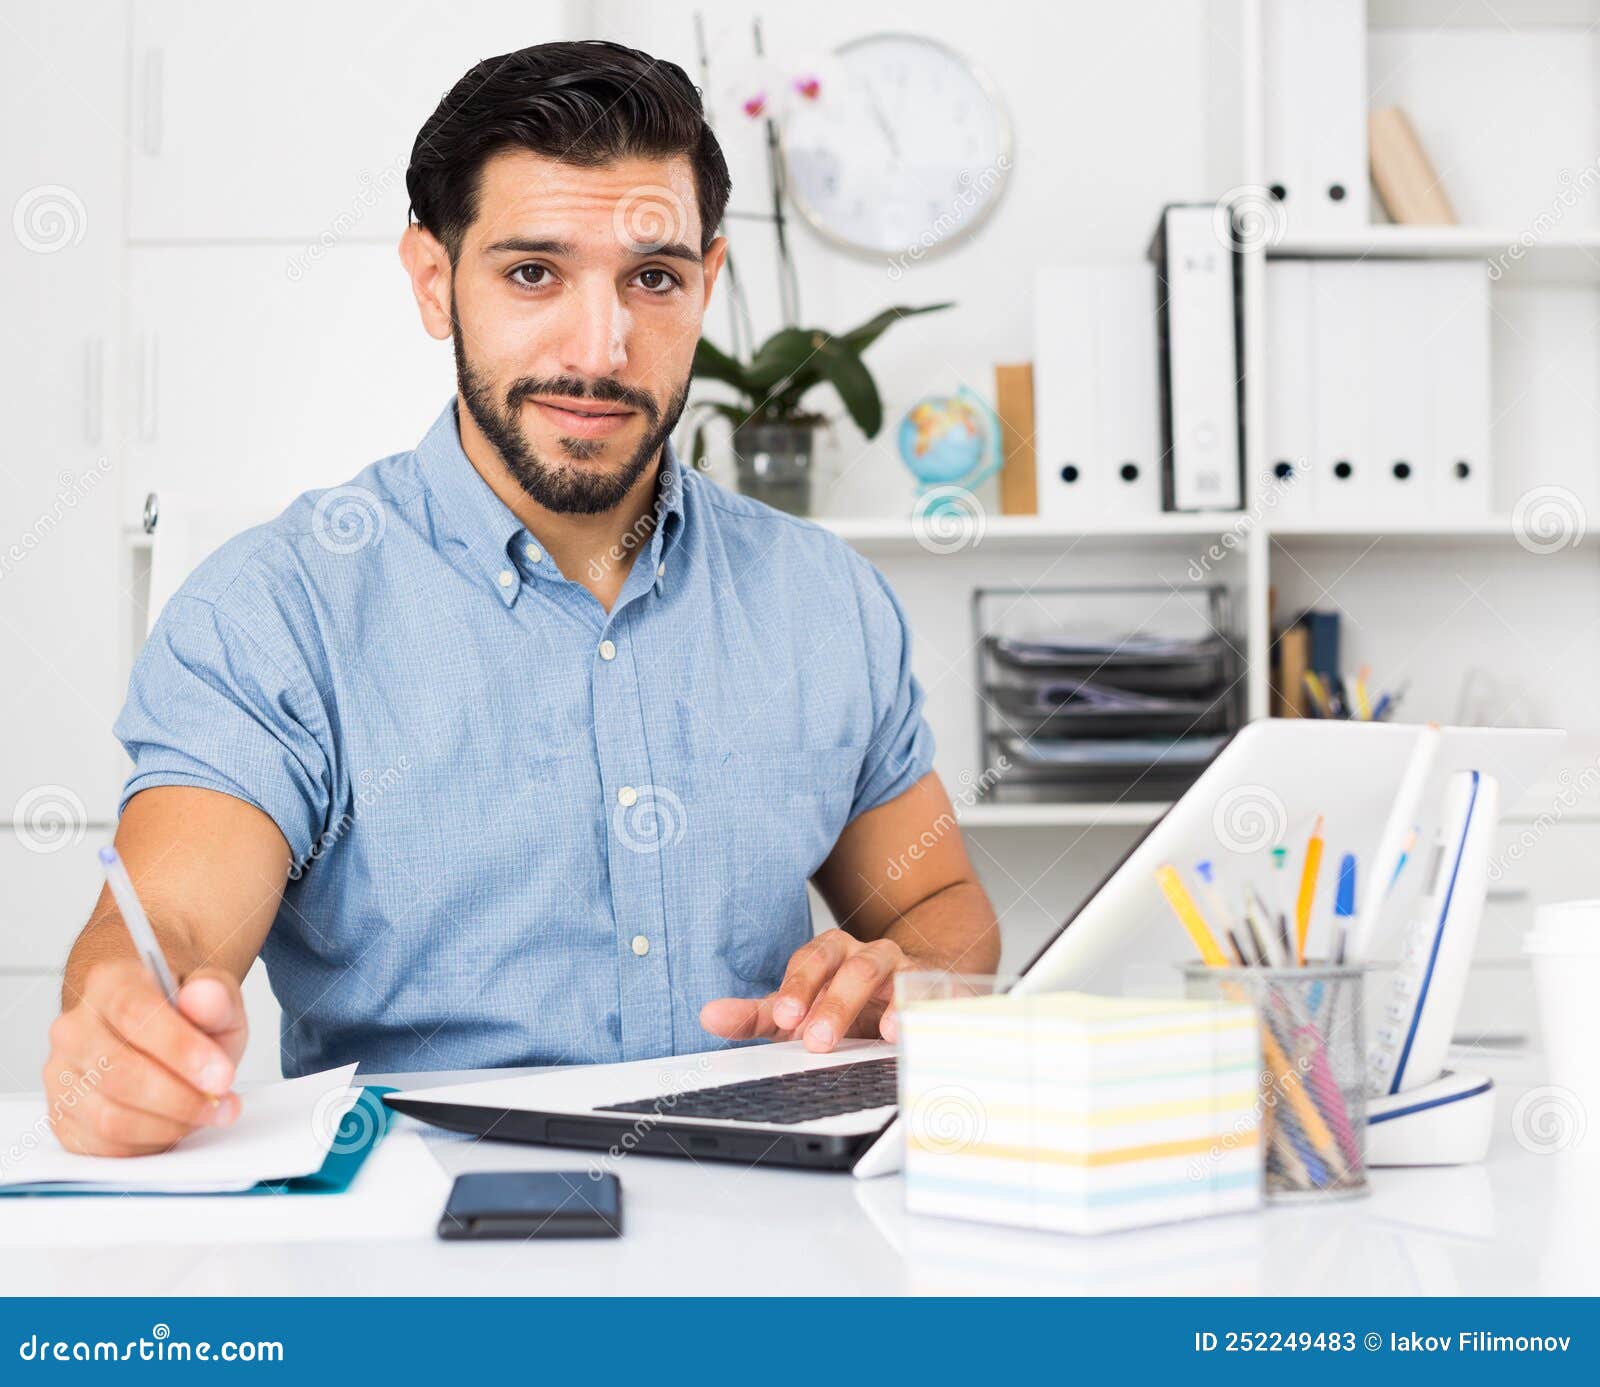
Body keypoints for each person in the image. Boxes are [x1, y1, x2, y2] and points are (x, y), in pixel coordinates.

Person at [45, 40, 999, 1156]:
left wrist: (907, 972)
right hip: (420, 1214)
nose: (601, 349)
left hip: (776, 1206)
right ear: (434, 280)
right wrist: (128, 1028)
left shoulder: (822, 598)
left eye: (653, 278)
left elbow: (937, 905)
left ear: (706, 280)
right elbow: (169, 925)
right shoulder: (276, 609)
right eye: (534, 273)